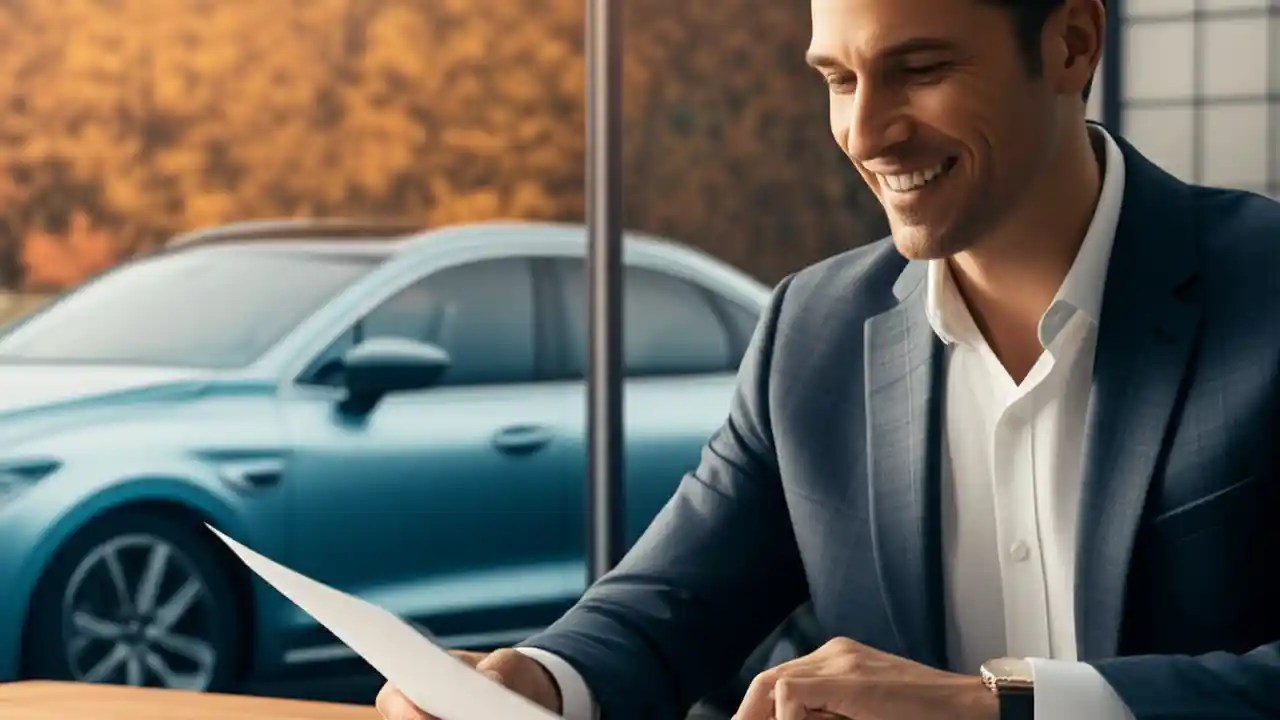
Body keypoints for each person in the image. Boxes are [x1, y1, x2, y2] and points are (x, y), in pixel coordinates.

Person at [377, 0, 1280, 717]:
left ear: (1072, 43)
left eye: (919, 70)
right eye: (838, 79)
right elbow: (668, 607)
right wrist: (531, 683)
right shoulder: (812, 326)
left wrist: (1001, 706)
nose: (866, 131)